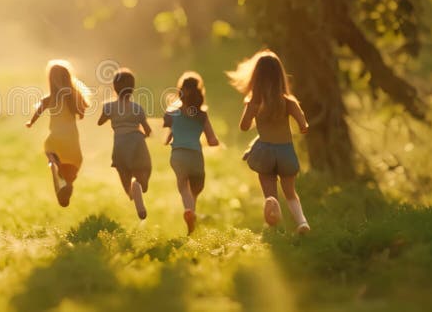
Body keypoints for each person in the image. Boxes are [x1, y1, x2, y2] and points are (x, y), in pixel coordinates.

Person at [228, 49, 311, 234]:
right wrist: (302, 126)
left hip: (265, 153)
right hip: (286, 152)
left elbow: (244, 126)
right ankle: (302, 222)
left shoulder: (254, 103)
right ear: (280, 76)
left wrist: (251, 111)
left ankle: (274, 224)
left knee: (270, 195)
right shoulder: (288, 102)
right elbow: (303, 124)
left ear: (255, 78)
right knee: (290, 193)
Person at [26, 60, 88, 207]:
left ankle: (53, 163)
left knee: (49, 150)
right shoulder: (74, 96)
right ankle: (68, 184)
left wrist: (31, 122)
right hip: (71, 139)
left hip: (55, 138)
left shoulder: (49, 99)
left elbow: (38, 112)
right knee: (73, 166)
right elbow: (82, 113)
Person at [163, 71, 219, 235]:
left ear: (180, 91)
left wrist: (169, 137)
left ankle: (190, 212)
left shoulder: (172, 112)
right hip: (195, 157)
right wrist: (216, 143)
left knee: (183, 187)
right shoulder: (202, 115)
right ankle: (191, 215)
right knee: (195, 190)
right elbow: (212, 140)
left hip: (178, 155)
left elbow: (168, 130)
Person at [98, 68, 152, 219]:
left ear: (114, 87)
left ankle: (131, 191)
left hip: (120, 144)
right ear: (132, 88)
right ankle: (139, 185)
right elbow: (148, 130)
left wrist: (108, 114)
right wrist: (144, 135)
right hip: (137, 142)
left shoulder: (109, 107)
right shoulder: (137, 108)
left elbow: (100, 122)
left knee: (123, 173)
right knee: (143, 171)